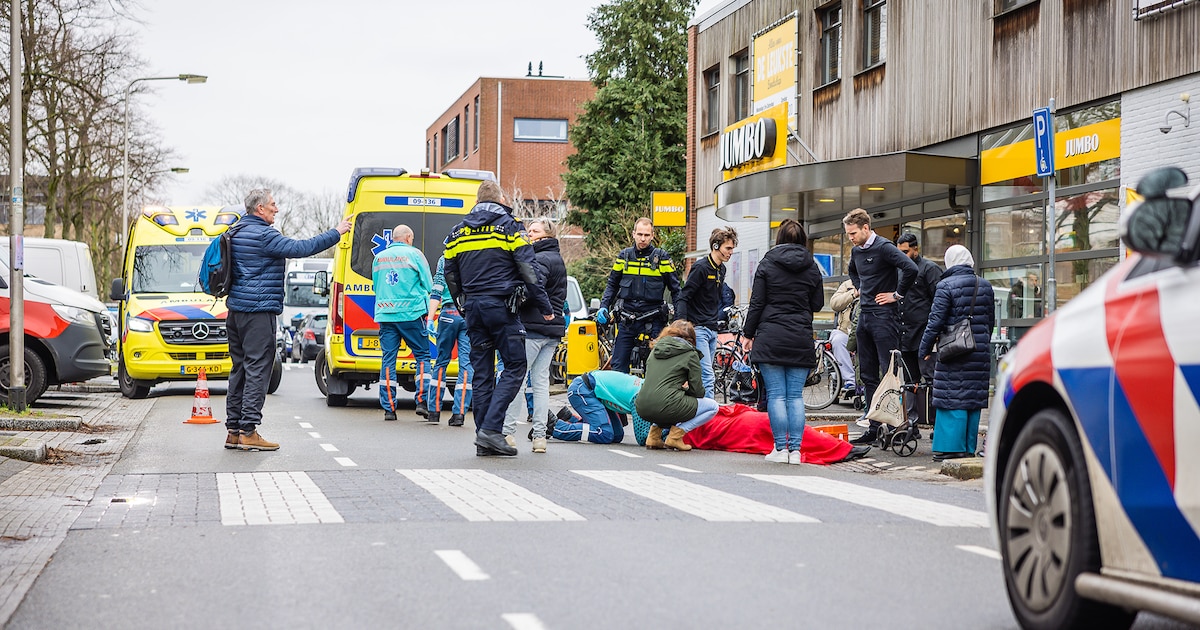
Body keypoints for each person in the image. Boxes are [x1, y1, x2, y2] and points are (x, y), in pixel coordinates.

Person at [225, 189, 350, 451]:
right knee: (258, 369)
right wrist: (336, 232)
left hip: (235, 312)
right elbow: (301, 248)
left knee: (239, 370)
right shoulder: (264, 235)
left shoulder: (234, 232)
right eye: (273, 204)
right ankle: (249, 431)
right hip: (258, 313)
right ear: (260, 208)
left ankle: (233, 431)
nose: (277, 209)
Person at [443, 180, 554, 457]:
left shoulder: (457, 233)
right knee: (516, 366)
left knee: (482, 374)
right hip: (502, 308)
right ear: (501, 199)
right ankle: (491, 430)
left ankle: (484, 440)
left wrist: (462, 305)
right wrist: (543, 304)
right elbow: (528, 268)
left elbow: (450, 274)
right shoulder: (510, 225)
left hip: (474, 311)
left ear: (477, 201)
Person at [743, 219, 825, 465]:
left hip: (771, 336)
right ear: (803, 240)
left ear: (778, 239)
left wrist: (748, 334)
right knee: (795, 397)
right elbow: (818, 304)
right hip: (800, 336)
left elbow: (757, 303)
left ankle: (780, 449)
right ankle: (796, 451)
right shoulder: (812, 267)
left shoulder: (767, 264)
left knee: (777, 395)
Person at [843, 209, 918, 445]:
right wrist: (859, 288)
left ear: (866, 228)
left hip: (885, 317)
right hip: (864, 315)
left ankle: (899, 425)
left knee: (890, 373)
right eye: (848, 234)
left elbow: (911, 269)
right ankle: (873, 426)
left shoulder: (885, 247)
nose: (850, 238)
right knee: (867, 374)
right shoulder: (856, 251)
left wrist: (896, 295)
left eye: (853, 233)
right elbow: (853, 271)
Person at [919, 245, 994, 461]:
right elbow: (990, 321)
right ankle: (969, 447)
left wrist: (924, 349)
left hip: (954, 350)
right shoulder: (985, 285)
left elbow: (935, 322)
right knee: (972, 398)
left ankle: (951, 448)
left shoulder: (945, 285)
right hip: (979, 350)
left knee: (953, 396)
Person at [503, 218, 567, 453]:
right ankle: (540, 437)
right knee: (540, 384)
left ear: (546, 235)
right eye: (529, 230)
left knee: (517, 379)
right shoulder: (557, 258)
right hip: (551, 331)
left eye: (535, 231)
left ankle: (508, 432)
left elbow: (532, 288)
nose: (529, 234)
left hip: (533, 327)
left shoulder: (539, 258)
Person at [595, 218, 682, 374]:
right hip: (628, 320)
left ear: (653, 235)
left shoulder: (661, 257)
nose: (643, 239)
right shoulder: (624, 256)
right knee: (618, 366)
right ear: (633, 234)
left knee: (656, 368)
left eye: (647, 235)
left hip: (653, 320)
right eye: (640, 234)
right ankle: (620, 398)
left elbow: (676, 290)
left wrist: (678, 321)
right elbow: (612, 284)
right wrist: (603, 307)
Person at [372, 225, 434, 423]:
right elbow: (429, 284)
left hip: (386, 315)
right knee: (422, 356)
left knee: (388, 359)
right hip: (412, 314)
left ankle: (389, 409)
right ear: (408, 237)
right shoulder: (415, 255)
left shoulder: (379, 257)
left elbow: (376, 285)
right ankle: (422, 401)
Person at [635, 320, 719, 451]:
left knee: (667, 401)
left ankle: (654, 436)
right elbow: (698, 391)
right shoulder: (690, 354)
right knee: (713, 407)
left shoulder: (655, 350)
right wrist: (685, 391)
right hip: (666, 404)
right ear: (692, 339)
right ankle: (675, 437)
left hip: (641, 406)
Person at [677, 226, 737, 397]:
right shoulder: (701, 268)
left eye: (732, 248)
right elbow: (684, 296)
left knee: (703, 376)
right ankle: (709, 417)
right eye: (728, 248)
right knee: (708, 377)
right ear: (716, 246)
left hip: (712, 329)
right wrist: (681, 325)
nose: (731, 252)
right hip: (698, 329)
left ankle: (699, 412)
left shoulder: (721, 270)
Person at [895, 233, 942, 424]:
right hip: (905, 335)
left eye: (905, 252)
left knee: (931, 380)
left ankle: (937, 423)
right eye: (899, 252)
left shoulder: (929, 269)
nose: (902, 256)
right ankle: (911, 422)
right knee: (909, 382)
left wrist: (936, 333)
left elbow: (939, 302)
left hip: (925, 335)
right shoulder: (898, 271)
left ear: (916, 249)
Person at [428, 255, 471, 427]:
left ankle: (433, 411)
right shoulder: (474, 256)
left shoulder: (445, 258)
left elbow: (437, 289)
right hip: (469, 314)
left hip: (448, 312)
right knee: (467, 364)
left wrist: (430, 318)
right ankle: (459, 413)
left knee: (441, 361)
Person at [551, 370, 640, 444]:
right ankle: (555, 426)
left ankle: (571, 419)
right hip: (583, 389)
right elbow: (643, 437)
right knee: (604, 433)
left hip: (592, 391)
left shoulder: (645, 386)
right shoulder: (641, 395)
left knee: (617, 435)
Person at [828, 279, 859, 395]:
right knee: (837, 339)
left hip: (866, 332)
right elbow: (834, 303)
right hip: (845, 332)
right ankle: (850, 381)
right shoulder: (847, 285)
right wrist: (854, 294)